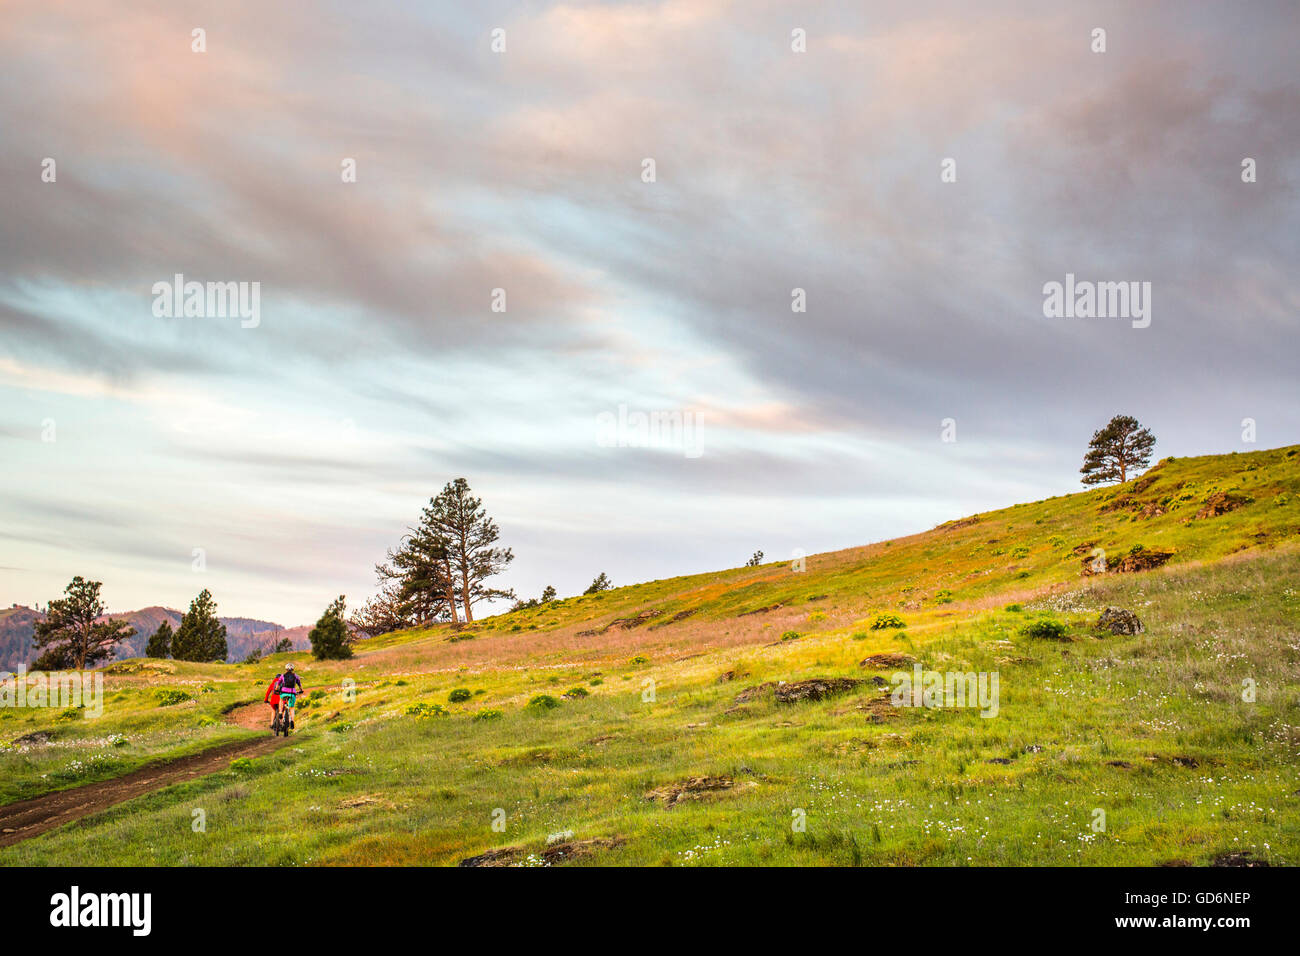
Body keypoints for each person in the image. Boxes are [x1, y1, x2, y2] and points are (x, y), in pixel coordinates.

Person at [275, 662, 305, 731]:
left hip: (284, 693)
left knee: (281, 700)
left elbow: (278, 684)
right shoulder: (296, 676)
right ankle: (292, 721)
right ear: (293, 669)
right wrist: (301, 690)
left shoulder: (282, 676)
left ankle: (280, 713)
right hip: (292, 693)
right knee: (291, 708)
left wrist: (277, 689)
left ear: (286, 669)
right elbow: (299, 685)